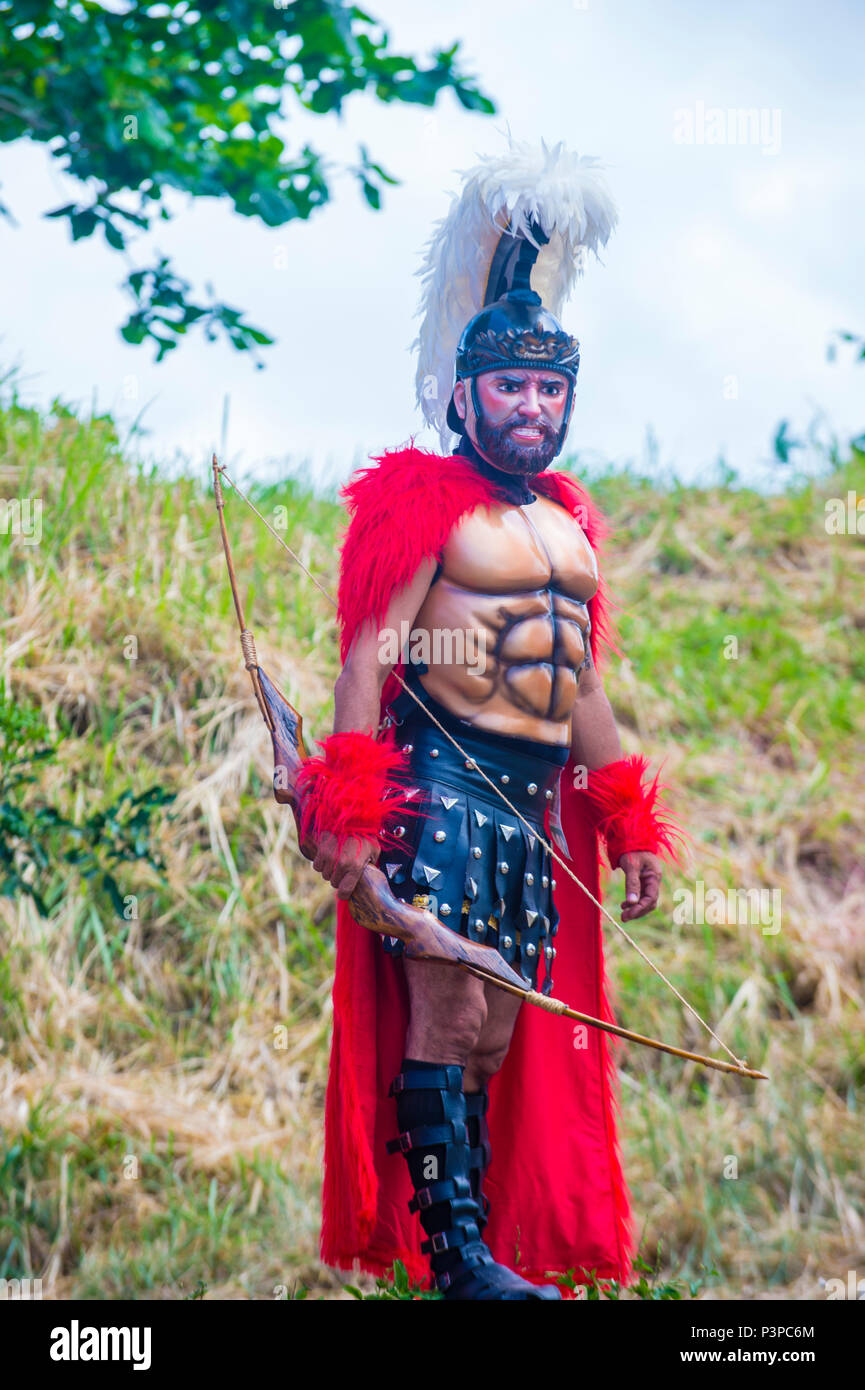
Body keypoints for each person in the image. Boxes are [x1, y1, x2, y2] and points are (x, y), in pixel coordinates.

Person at [297, 140, 683, 1300]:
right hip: (441, 791)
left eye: (549, 389)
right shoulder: (421, 500)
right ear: (464, 393)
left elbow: (581, 686)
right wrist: (351, 812)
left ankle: (465, 1254)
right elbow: (369, 653)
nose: (531, 405)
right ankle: (459, 1261)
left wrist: (627, 819)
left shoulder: (568, 523)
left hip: (532, 810)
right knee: (448, 998)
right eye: (510, 387)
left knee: (500, 1029)